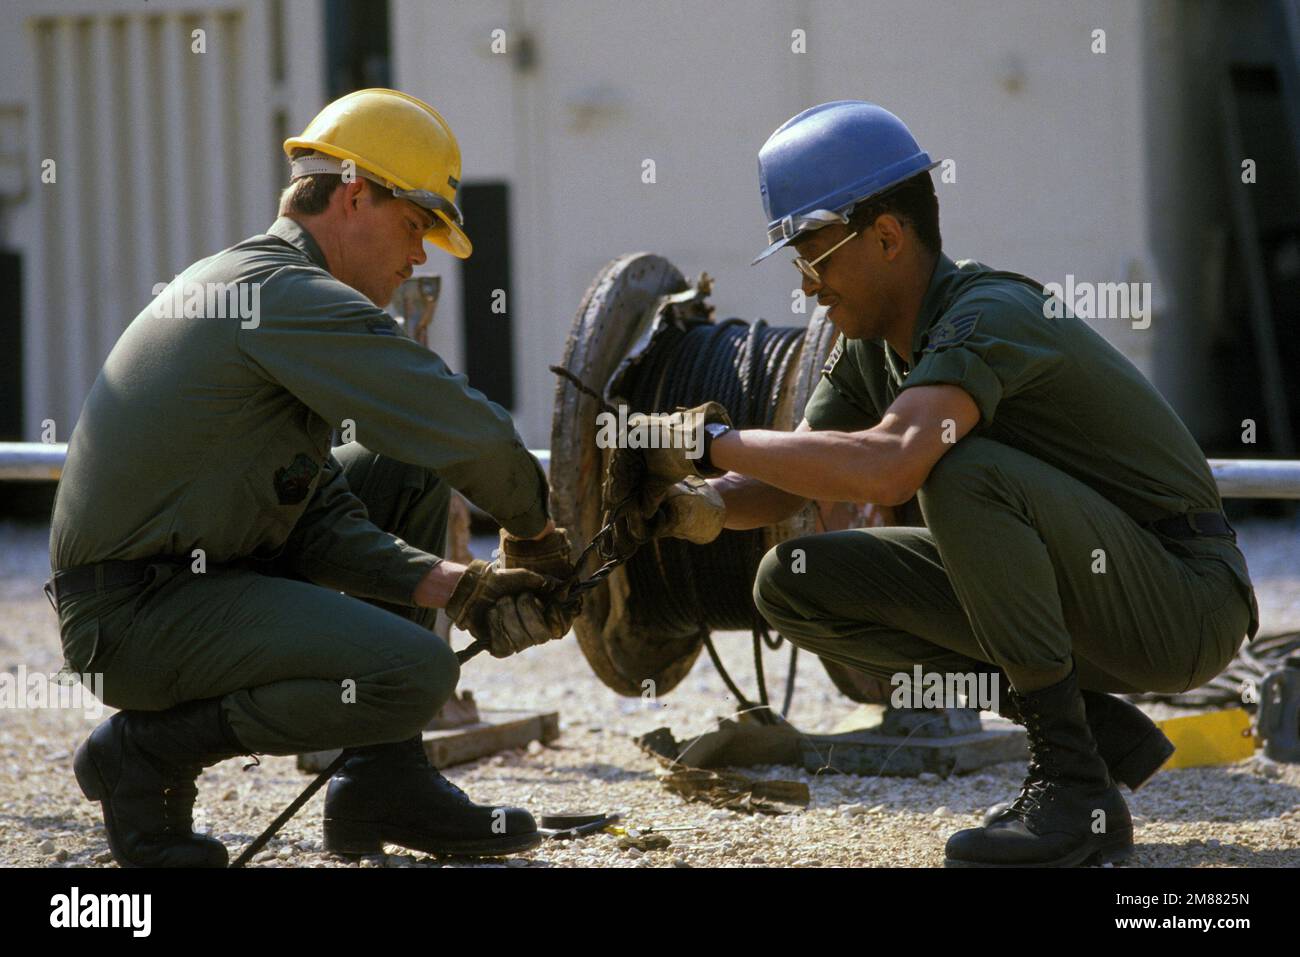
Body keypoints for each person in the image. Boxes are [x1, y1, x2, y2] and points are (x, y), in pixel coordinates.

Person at [606, 100, 1260, 867]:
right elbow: (793, 485)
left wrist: (715, 439)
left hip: (1183, 598)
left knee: (957, 468)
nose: (807, 285)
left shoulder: (988, 313)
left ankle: (1076, 790)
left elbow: (893, 462)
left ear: (887, 235)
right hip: (1095, 600)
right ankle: (1080, 724)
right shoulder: (873, 350)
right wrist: (695, 509)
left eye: (812, 254)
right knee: (793, 579)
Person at [46, 89, 576, 867]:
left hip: (187, 583)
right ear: (356, 194)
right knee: (415, 670)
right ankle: (147, 755)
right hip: (133, 614)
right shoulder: (286, 297)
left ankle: (381, 779)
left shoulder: (264, 287)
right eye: (415, 224)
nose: (421, 253)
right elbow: (457, 421)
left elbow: (316, 514)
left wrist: (457, 587)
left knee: (400, 467)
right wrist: (536, 533)